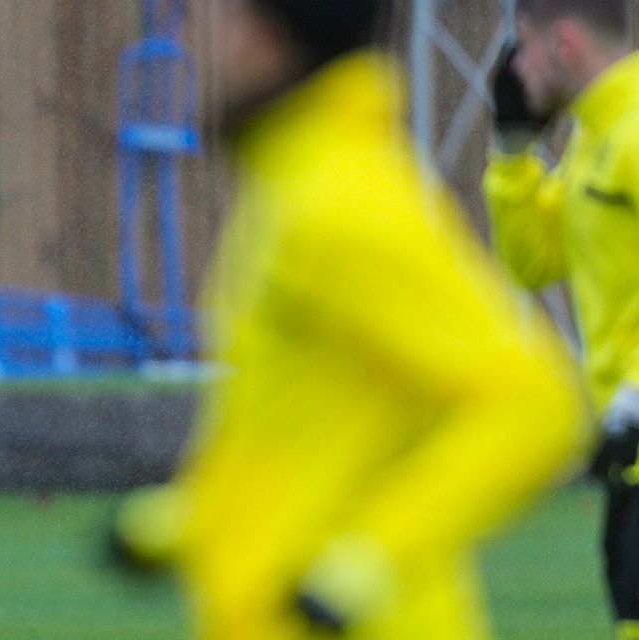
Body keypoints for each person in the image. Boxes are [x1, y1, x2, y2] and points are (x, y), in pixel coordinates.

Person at [109, 0, 588, 637]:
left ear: (270, 36)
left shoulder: (344, 201)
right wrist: (187, 519)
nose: (202, 33)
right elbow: (296, 419)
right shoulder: (293, 184)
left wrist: (368, 556)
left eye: (223, 14)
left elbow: (535, 404)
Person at [483, 1, 639, 635]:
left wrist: (635, 397)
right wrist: (513, 151)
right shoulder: (596, 133)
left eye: (522, 47)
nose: (515, 68)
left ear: (564, 44)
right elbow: (536, 261)